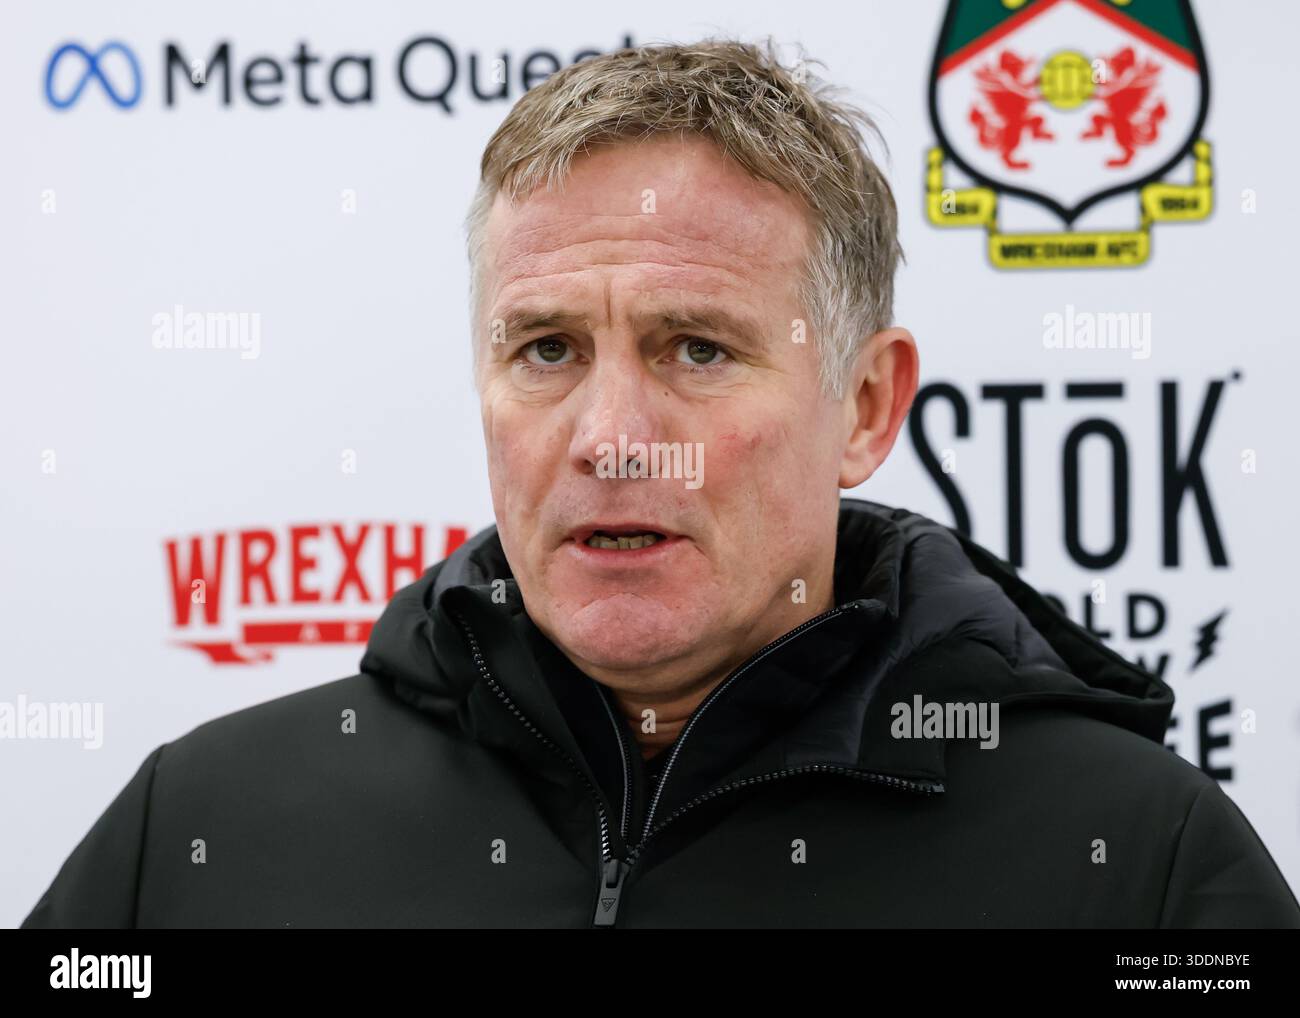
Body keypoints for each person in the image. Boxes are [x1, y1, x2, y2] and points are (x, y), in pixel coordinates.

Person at [23, 38, 1299, 928]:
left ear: (864, 405)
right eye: (547, 350)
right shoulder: (199, 828)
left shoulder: (1138, 861)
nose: (613, 436)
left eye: (697, 348)